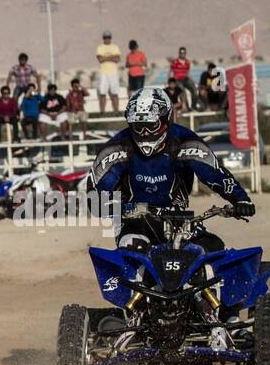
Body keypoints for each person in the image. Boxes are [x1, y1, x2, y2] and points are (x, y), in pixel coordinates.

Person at [88, 86, 254, 253]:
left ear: (166, 119)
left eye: (151, 125)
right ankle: (130, 278)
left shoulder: (184, 141)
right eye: (138, 126)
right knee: (134, 249)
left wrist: (240, 199)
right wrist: (111, 207)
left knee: (213, 249)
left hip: (178, 217)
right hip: (132, 220)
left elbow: (215, 173)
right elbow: (97, 188)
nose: (145, 133)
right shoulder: (118, 146)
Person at [95, 31, 122, 114]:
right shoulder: (100, 47)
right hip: (103, 73)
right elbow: (100, 59)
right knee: (102, 93)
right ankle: (102, 111)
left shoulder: (115, 47)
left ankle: (116, 110)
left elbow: (117, 59)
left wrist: (105, 57)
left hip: (113, 73)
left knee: (115, 93)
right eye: (105, 38)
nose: (107, 39)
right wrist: (112, 57)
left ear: (111, 38)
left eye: (108, 37)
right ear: (103, 38)